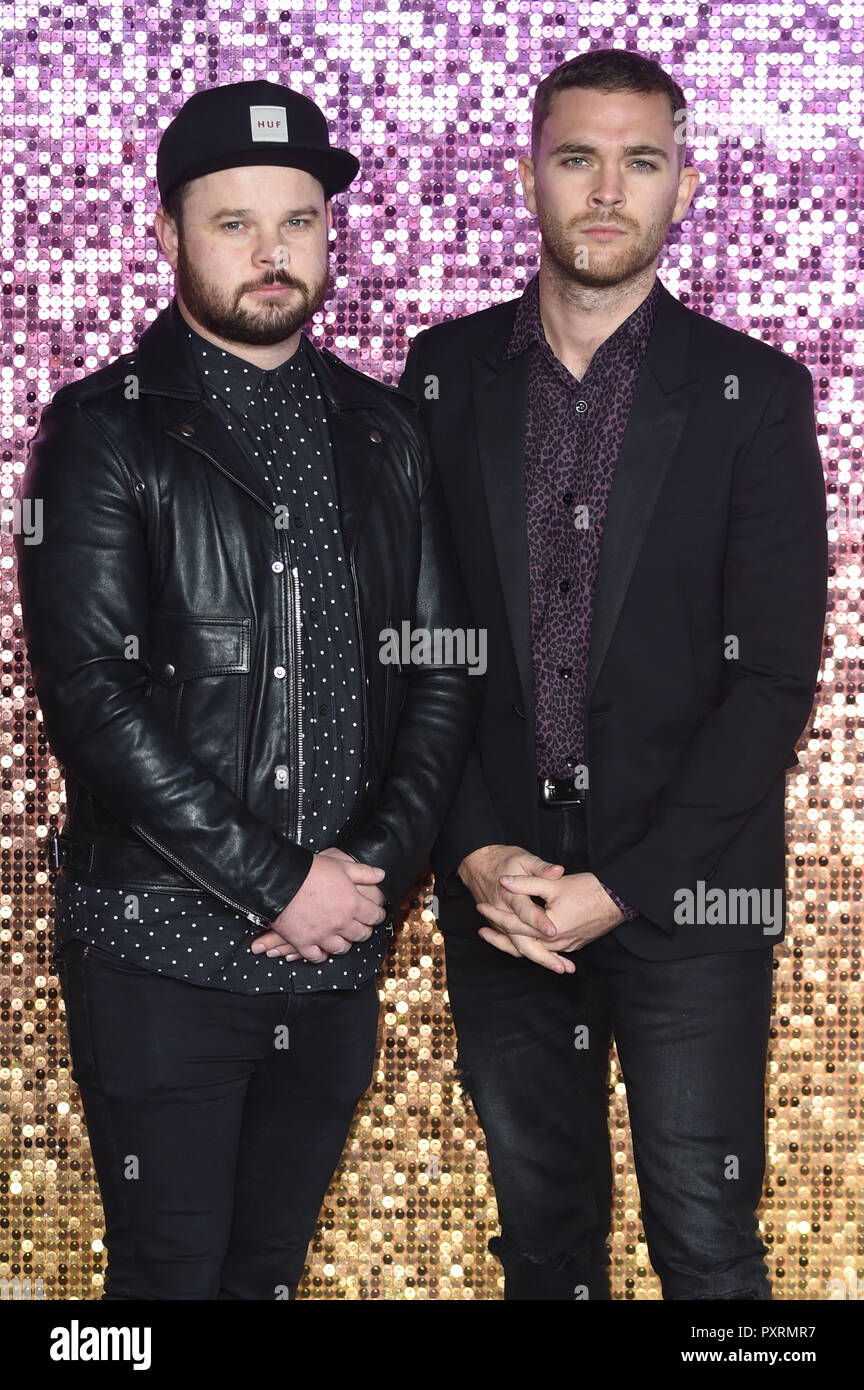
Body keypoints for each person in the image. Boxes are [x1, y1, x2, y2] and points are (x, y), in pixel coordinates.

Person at [16, 79, 480, 1300]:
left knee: (270, 1270)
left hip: (333, 947)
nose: (272, 254)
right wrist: (281, 879)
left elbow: (438, 669)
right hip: (160, 948)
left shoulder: (381, 431)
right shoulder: (102, 431)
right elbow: (90, 700)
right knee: (165, 1279)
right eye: (234, 223)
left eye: (299, 222)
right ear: (167, 235)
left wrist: (359, 879)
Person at [398, 48, 828, 1300]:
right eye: (576, 158)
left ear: (681, 186)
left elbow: (773, 683)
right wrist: (472, 850)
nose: (604, 191)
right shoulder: (440, 376)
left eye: (637, 163)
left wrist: (625, 886)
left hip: (690, 895)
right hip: (503, 894)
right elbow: (417, 647)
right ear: (526, 174)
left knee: (705, 1240)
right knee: (543, 1243)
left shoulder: (753, 394)